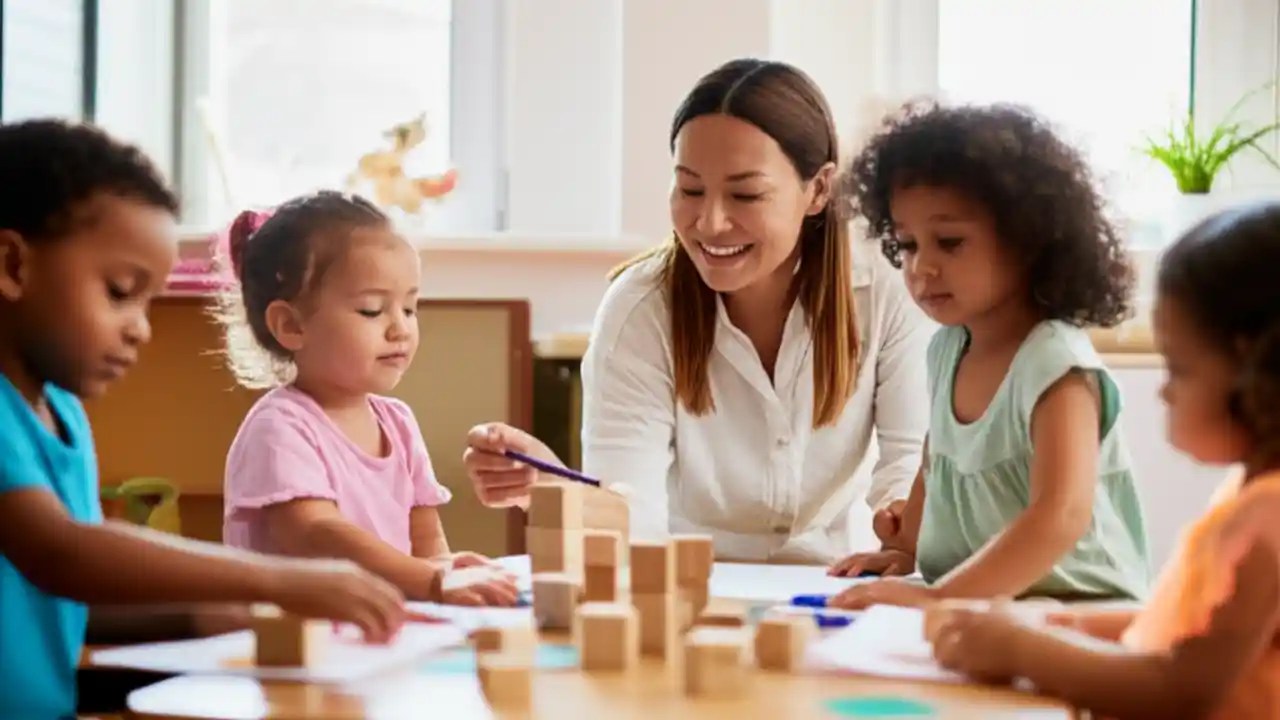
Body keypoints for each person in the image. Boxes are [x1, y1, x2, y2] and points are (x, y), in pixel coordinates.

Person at [0, 119, 405, 719]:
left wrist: (224, 618)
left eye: (148, 301)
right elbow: (59, 553)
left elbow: (72, 600)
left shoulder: (63, 413)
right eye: (118, 291)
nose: (141, 327)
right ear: (12, 266)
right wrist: (274, 581)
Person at [464, 58, 932, 564]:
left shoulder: (885, 288)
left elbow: (908, 464)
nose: (709, 223)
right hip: (694, 582)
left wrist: (904, 526)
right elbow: (632, 512)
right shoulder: (638, 310)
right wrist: (554, 489)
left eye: (745, 194)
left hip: (839, 578)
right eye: (689, 189)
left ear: (818, 189)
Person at [928, 201, 1280, 719]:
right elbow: (1179, 623)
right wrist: (1059, 626)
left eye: (1179, 369)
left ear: (1258, 370)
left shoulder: (1268, 525)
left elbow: (1182, 687)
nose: (1163, 393)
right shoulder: (1250, 498)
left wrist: (1023, 649)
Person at [828, 103, 1149, 608]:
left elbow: (1060, 516)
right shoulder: (947, 348)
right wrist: (907, 546)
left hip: (1076, 607)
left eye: (949, 242)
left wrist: (940, 601)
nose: (920, 267)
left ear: (1028, 240)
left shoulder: (1054, 362)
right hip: (980, 602)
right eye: (908, 244)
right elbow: (938, 460)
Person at [219, 192, 518, 606]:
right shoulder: (279, 427)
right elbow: (314, 534)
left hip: (376, 631)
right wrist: (429, 580)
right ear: (290, 325)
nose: (400, 329)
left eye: (410, 309)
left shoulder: (397, 421)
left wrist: (445, 568)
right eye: (372, 311)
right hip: (295, 644)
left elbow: (426, 543)